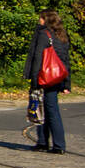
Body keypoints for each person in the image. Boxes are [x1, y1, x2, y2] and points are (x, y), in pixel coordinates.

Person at [24, 8, 71, 154]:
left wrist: (34, 79)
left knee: (46, 109)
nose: (39, 20)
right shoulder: (61, 35)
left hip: (44, 77)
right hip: (56, 78)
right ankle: (44, 141)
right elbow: (65, 60)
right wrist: (67, 83)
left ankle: (56, 145)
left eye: (41, 18)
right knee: (48, 108)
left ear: (46, 19)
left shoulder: (43, 34)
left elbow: (37, 57)